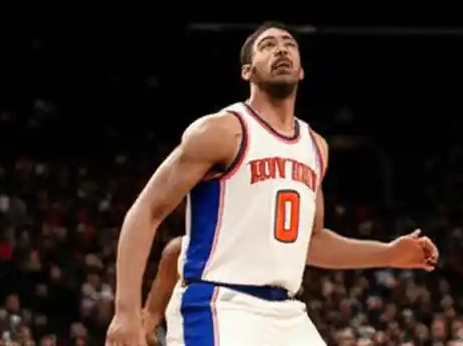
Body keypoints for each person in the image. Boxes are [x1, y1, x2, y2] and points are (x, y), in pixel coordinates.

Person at [105, 22, 440, 346]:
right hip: (221, 304)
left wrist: (389, 253)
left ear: (301, 70)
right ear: (247, 71)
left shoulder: (315, 147)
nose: (281, 49)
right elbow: (146, 211)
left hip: (286, 313)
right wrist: (126, 313)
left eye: (289, 44)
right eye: (268, 45)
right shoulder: (221, 131)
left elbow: (313, 242)